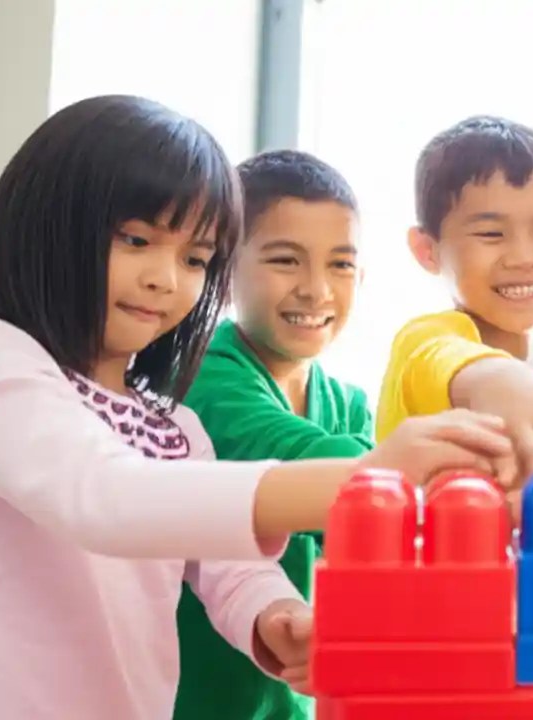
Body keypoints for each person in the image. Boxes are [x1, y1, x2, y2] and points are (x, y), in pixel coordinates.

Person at [0, 95, 510, 720]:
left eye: (194, 258)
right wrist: (368, 478)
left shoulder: (174, 426)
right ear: (46, 226)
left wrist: (277, 615)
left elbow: (226, 566)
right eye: (137, 240)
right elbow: (102, 494)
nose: (167, 278)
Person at [173, 150, 370, 720]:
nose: (317, 290)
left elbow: (370, 551)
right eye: (286, 261)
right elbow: (312, 463)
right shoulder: (204, 375)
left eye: (341, 265)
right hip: (199, 704)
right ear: (224, 267)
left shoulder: (350, 404)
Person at [377, 115, 533, 486]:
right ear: (426, 250)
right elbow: (444, 357)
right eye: (491, 233)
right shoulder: (425, 339)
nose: (524, 257)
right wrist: (498, 380)